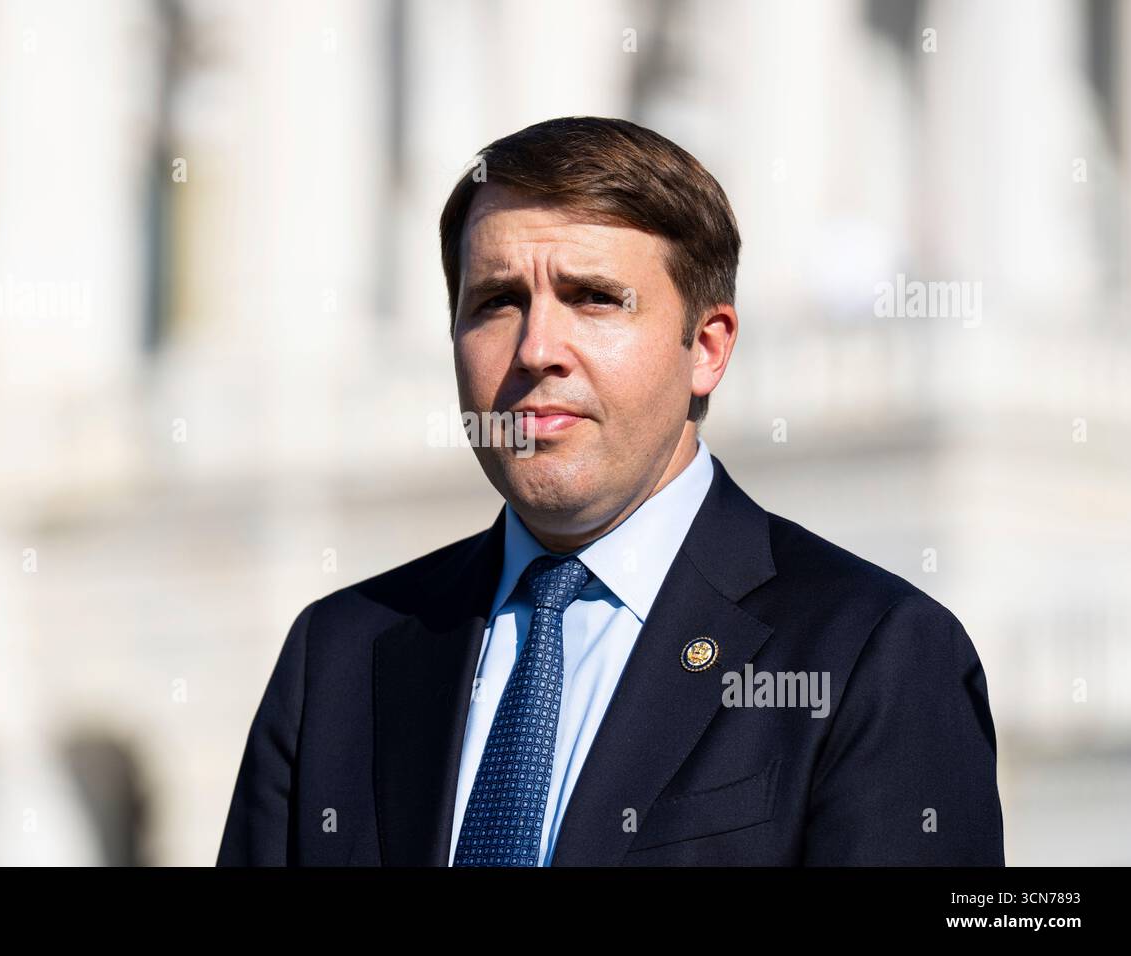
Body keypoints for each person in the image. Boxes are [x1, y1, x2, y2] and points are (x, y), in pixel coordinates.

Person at [216, 116, 1005, 866]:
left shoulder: (874, 656)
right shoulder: (339, 658)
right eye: (497, 302)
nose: (536, 350)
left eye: (592, 297)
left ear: (705, 347)